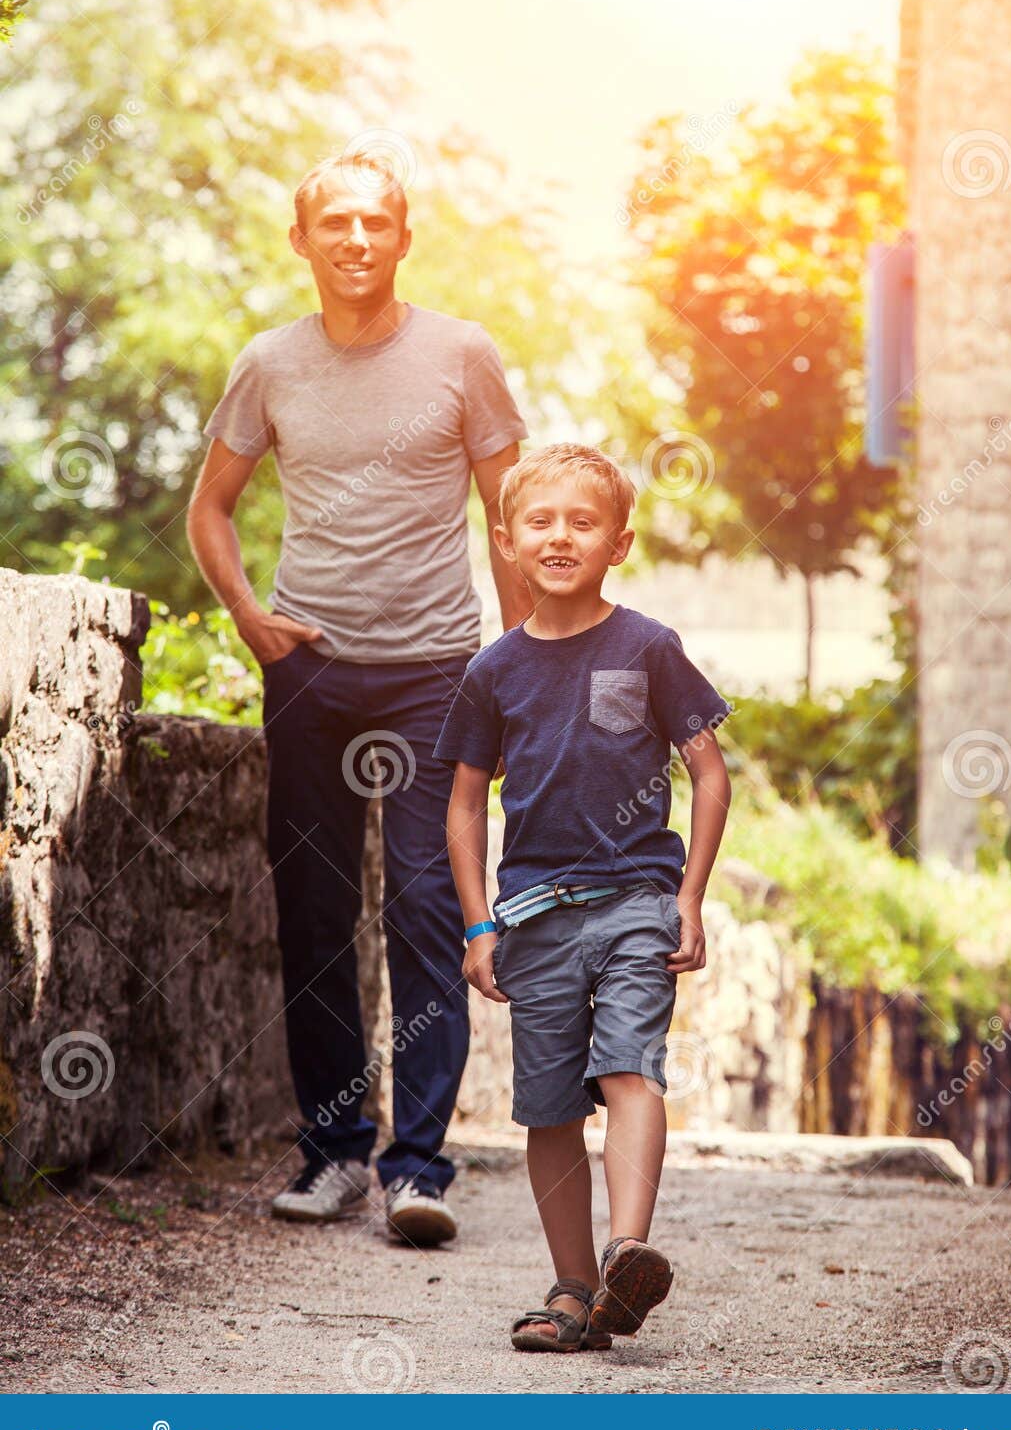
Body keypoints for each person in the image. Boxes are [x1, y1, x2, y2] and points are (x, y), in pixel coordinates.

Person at [187, 150, 532, 1245]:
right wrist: (250, 618)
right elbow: (211, 509)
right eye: (332, 223)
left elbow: (509, 515)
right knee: (314, 913)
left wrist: (527, 667)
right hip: (311, 673)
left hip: (439, 670)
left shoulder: (461, 356)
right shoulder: (268, 363)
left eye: (374, 222)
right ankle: (336, 1149)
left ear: (402, 237)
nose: (354, 240)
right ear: (301, 241)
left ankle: (417, 1168)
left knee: (430, 906)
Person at [434, 442, 732, 1348]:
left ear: (619, 543)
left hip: (639, 899)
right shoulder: (492, 671)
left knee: (631, 1064)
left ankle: (625, 1254)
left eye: (583, 522)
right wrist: (478, 923)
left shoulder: (649, 648)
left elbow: (710, 776)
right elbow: (462, 806)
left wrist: (689, 897)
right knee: (551, 1107)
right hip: (533, 918)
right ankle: (573, 1294)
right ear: (507, 541)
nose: (560, 536)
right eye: (541, 522)